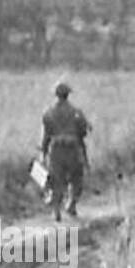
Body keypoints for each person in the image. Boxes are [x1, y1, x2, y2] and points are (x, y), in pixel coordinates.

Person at [40, 80, 90, 221]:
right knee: (76, 178)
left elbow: (45, 136)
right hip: (72, 148)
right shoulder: (76, 112)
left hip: (56, 149)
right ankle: (71, 204)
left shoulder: (48, 113)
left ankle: (56, 210)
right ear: (68, 95)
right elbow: (82, 133)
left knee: (56, 179)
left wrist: (43, 153)